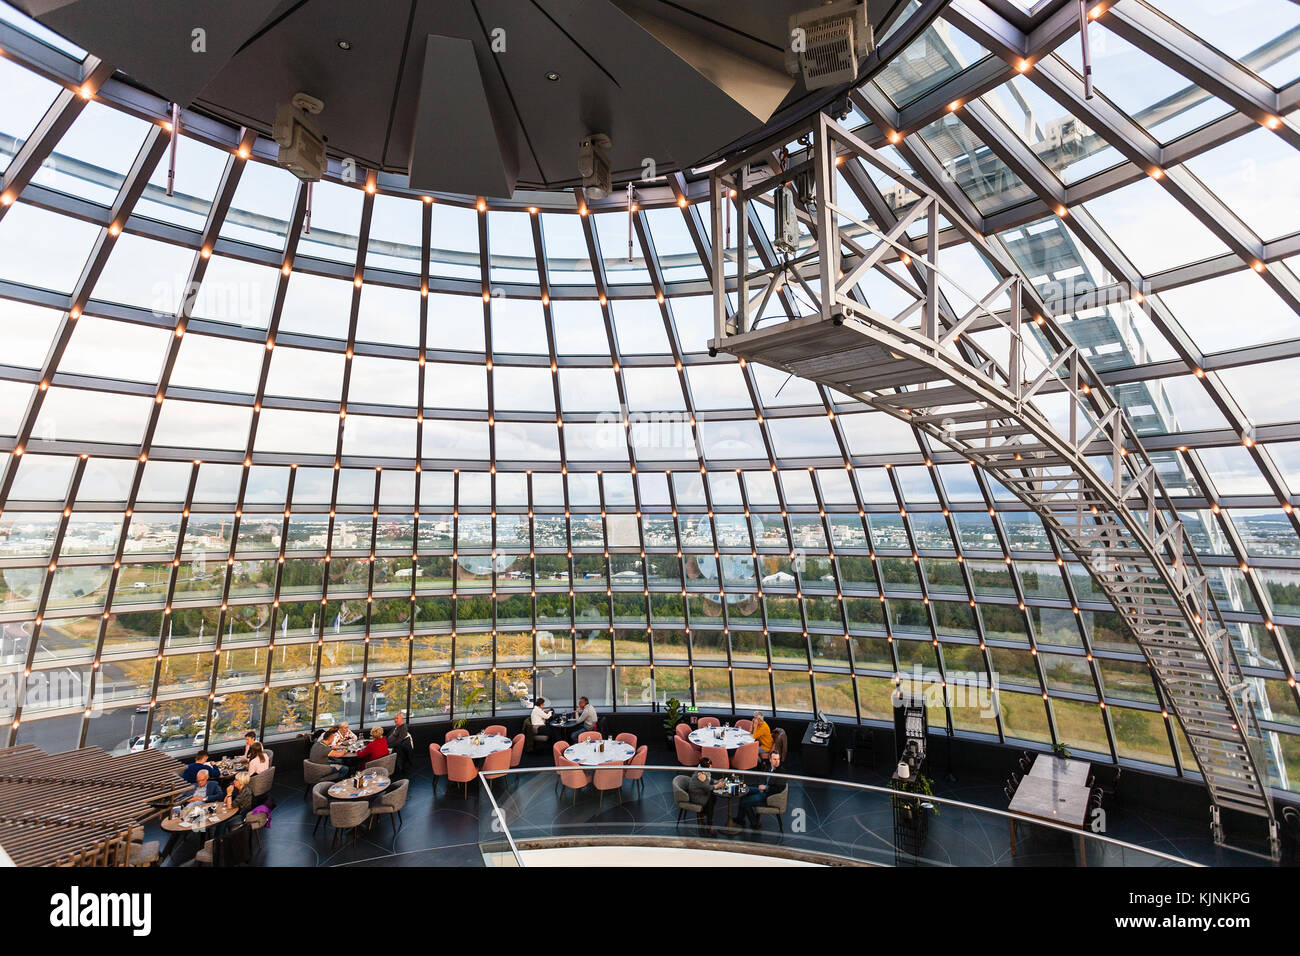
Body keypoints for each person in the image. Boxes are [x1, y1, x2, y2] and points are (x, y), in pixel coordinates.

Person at [739, 750, 786, 827]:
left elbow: (779, 788)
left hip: (768, 795)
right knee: (743, 790)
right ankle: (740, 819)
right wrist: (762, 786)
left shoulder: (782, 772)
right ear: (770, 760)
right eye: (775, 759)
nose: (777, 761)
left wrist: (766, 788)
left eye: (778, 759)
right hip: (763, 790)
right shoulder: (769, 767)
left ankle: (754, 824)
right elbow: (766, 780)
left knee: (745, 801)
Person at [688, 757, 724, 836]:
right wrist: (717, 786)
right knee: (710, 801)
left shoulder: (704, 772)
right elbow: (707, 787)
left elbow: (709, 780)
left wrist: (716, 781)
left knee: (713, 797)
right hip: (697, 796)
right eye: (710, 766)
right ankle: (709, 825)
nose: (712, 768)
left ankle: (704, 813)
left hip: (701, 792)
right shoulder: (701, 776)